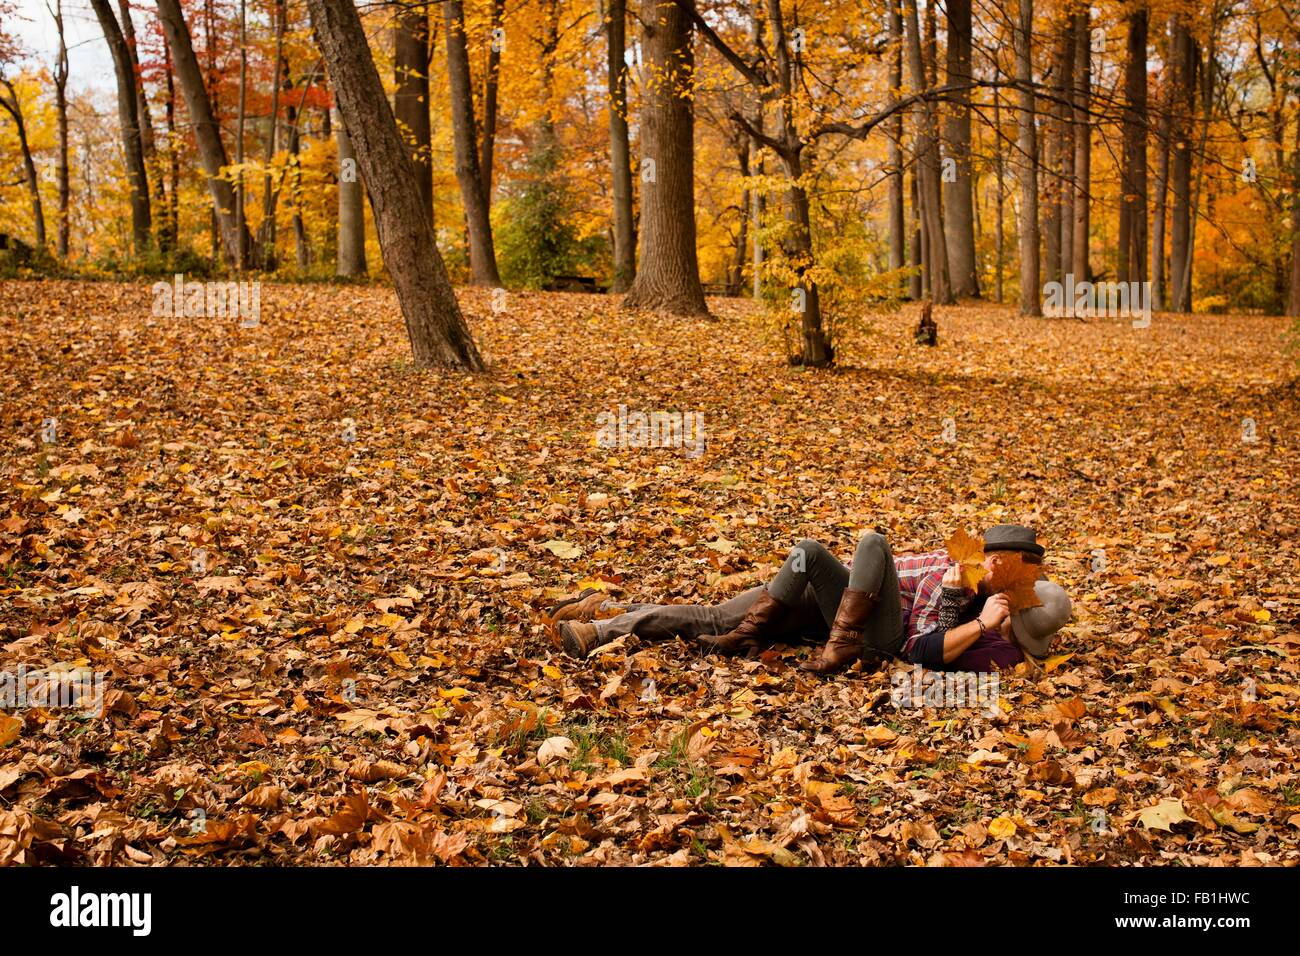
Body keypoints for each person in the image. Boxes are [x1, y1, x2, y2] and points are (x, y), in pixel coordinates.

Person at [554, 524, 1071, 675]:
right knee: (721, 612)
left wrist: (976, 617)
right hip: (841, 602)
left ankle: (836, 645)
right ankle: (607, 621)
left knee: (872, 540)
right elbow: (874, 576)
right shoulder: (960, 567)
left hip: (874, 638)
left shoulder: (996, 645)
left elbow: (921, 649)